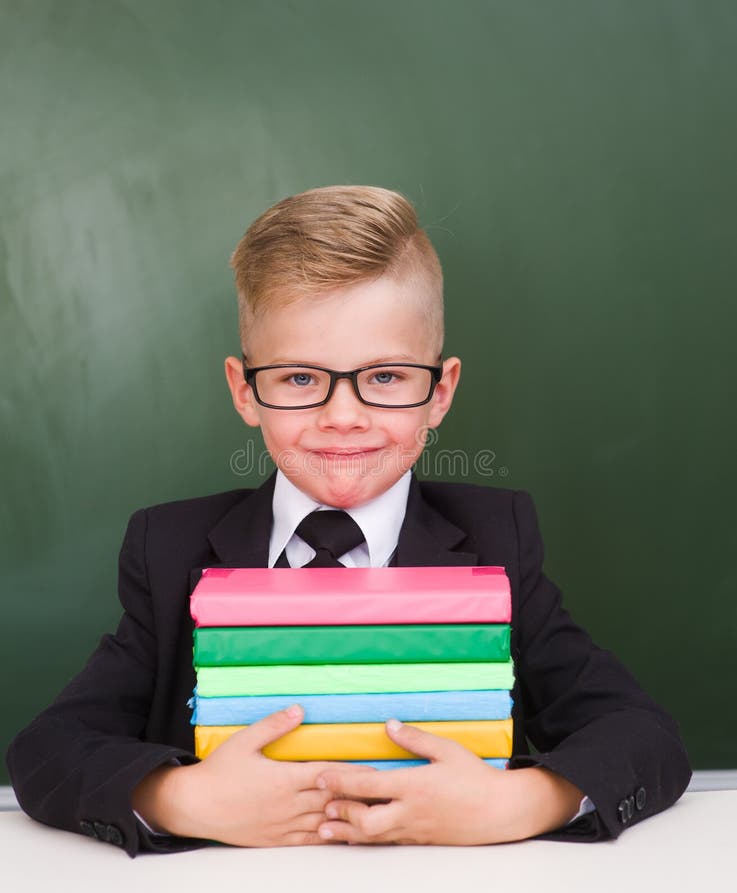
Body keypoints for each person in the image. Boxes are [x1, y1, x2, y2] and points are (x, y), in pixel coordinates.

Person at [6, 185, 691, 856]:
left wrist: (517, 802)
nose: (343, 417)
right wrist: (178, 798)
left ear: (440, 392)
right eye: (301, 379)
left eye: (387, 377)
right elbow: (50, 750)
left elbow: (640, 733)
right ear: (246, 391)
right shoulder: (170, 550)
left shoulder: (495, 542)